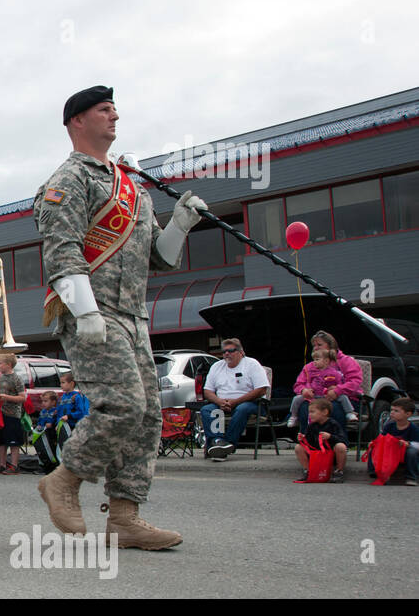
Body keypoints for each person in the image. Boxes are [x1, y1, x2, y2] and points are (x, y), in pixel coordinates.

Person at [34, 86, 206, 550]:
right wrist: (85, 310)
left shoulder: (131, 185)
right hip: (91, 310)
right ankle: (64, 479)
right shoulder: (70, 179)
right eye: (103, 109)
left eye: (114, 108)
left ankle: (125, 517)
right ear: (77, 121)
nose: (114, 115)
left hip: (133, 315)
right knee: (124, 404)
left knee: (149, 414)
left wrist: (181, 226)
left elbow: (160, 258)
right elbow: (62, 248)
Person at [200, 338, 269, 461]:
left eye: (231, 350)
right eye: (224, 351)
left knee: (242, 408)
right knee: (206, 409)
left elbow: (261, 390)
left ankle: (227, 444)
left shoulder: (252, 364)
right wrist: (219, 401)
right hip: (222, 403)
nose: (227, 354)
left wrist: (235, 402)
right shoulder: (217, 366)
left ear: (241, 352)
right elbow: (207, 391)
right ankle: (217, 441)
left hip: (250, 403)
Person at [295, 330, 363, 429]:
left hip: (344, 400)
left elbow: (355, 382)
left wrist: (337, 391)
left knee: (331, 408)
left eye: (319, 344)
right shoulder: (311, 366)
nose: (316, 348)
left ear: (331, 346)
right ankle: (308, 441)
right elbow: (299, 384)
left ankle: (336, 441)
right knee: (305, 408)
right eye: (314, 345)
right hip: (316, 398)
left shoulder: (346, 361)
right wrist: (303, 390)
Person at [287, 348, 354, 428]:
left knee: (343, 398)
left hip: (328, 396)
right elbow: (301, 384)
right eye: (314, 359)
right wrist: (304, 390)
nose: (314, 362)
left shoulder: (335, 372)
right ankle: (294, 416)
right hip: (313, 396)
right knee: (297, 399)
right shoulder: (309, 370)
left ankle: (350, 413)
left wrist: (336, 388)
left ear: (326, 361)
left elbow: (342, 383)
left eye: (317, 359)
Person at [294, 398, 348, 483]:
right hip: (317, 454)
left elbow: (343, 439)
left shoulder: (333, 424)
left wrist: (330, 436)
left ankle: (339, 471)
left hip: (331, 454)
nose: (310, 415)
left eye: (312, 412)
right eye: (309, 412)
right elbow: (309, 442)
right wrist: (303, 438)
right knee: (298, 447)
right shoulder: (312, 426)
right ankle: (308, 471)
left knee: (341, 446)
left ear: (325, 412)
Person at [372, 397, 418, 486]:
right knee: (373, 448)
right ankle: (375, 472)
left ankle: (411, 477)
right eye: (391, 410)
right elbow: (382, 437)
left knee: (412, 452)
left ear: (408, 414)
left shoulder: (413, 428)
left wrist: (408, 444)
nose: (392, 413)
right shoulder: (389, 425)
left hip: (404, 451)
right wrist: (375, 442)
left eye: (396, 411)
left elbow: (417, 444)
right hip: (391, 450)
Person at [0, 352, 26, 474]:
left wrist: (6, 397)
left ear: (8, 365)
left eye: (0, 363)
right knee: (1, 441)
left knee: (13, 441)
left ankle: (14, 465)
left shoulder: (16, 379)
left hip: (12, 414)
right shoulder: (0, 378)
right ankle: (2, 464)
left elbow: (22, 398)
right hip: (0, 414)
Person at [55, 370, 89, 443]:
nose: (61, 385)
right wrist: (58, 423)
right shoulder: (62, 398)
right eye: (60, 383)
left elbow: (81, 412)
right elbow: (59, 413)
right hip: (63, 427)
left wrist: (69, 416)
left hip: (74, 427)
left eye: (63, 383)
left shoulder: (77, 397)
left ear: (72, 384)